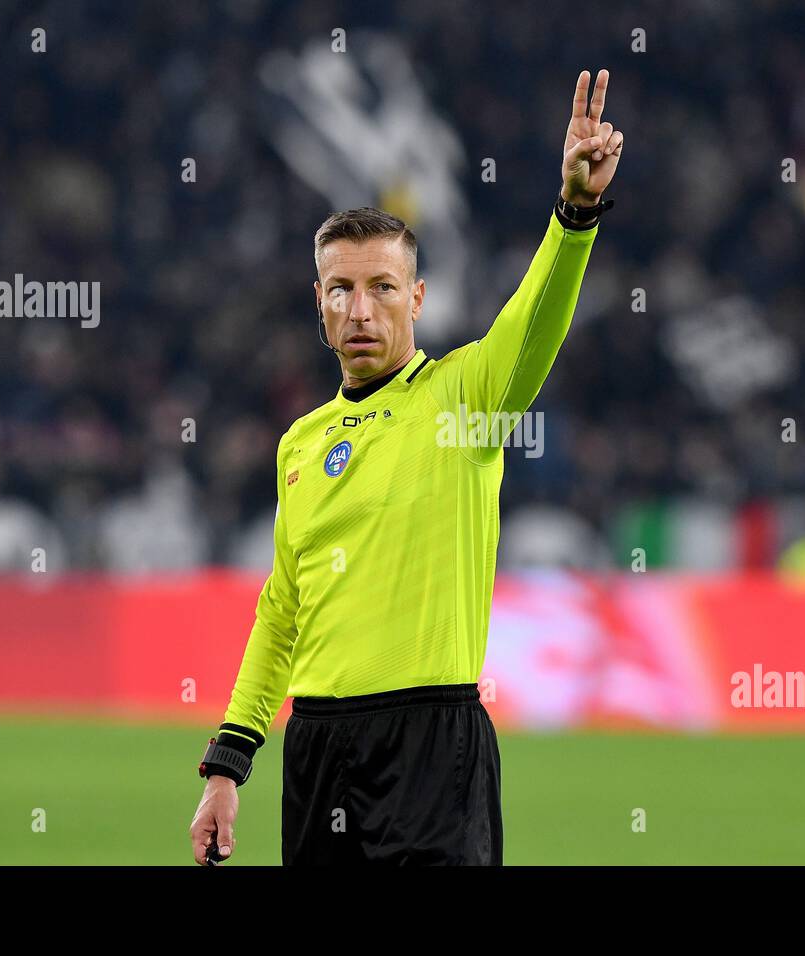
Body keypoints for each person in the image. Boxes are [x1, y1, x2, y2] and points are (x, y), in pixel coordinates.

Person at [189, 69, 624, 864]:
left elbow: (535, 321)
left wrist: (575, 214)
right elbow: (281, 612)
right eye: (342, 290)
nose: (361, 311)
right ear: (318, 302)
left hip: (431, 746)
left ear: (417, 298)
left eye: (382, 288)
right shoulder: (301, 444)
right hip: (316, 751)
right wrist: (227, 763)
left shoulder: (466, 398)